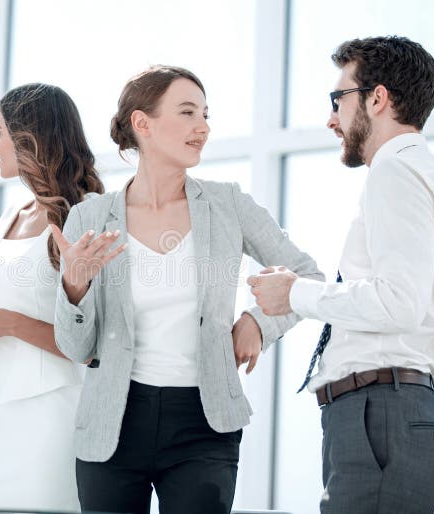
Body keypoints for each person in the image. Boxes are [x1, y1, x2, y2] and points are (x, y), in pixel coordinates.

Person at [50, 65, 323, 514]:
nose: (204, 127)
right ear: (143, 124)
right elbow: (75, 345)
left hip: (203, 422)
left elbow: (307, 275)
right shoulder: (89, 218)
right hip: (112, 424)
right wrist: (74, 286)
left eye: (206, 114)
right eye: (188, 112)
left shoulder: (227, 204)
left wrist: (259, 321)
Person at [247, 36, 434, 514]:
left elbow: (399, 302)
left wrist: (294, 294)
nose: (331, 118)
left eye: (339, 99)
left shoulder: (394, 172)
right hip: (399, 415)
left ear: (377, 98)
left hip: (378, 413)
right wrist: (417, 410)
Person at [0, 83, 104, 512]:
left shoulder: (87, 214)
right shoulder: (12, 214)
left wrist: (7, 323)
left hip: (45, 418)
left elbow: (94, 347)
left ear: (30, 138)